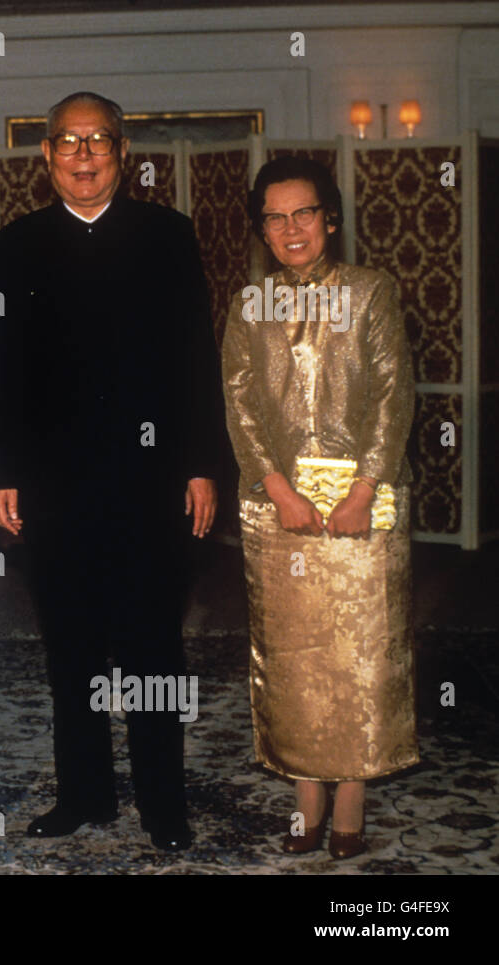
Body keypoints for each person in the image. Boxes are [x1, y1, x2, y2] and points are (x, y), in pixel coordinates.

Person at [0, 91, 223, 852]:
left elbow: (196, 360)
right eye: (68, 142)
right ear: (45, 155)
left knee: (151, 646)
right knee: (69, 645)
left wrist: (205, 464)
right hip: (51, 487)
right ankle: (83, 794)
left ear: (123, 151)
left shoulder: (169, 236)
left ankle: (162, 800)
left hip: (152, 483)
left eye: (98, 141)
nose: (82, 155)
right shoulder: (15, 245)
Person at [221, 156, 417, 859]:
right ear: (262, 231)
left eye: (304, 212)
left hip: (363, 506)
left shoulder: (370, 293)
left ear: (329, 218)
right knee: (295, 657)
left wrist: (366, 486)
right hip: (280, 511)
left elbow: (394, 394)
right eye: (275, 217)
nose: (291, 228)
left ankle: (353, 797)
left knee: (362, 655)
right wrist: (274, 487)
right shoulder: (250, 305)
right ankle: (307, 794)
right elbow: (239, 404)